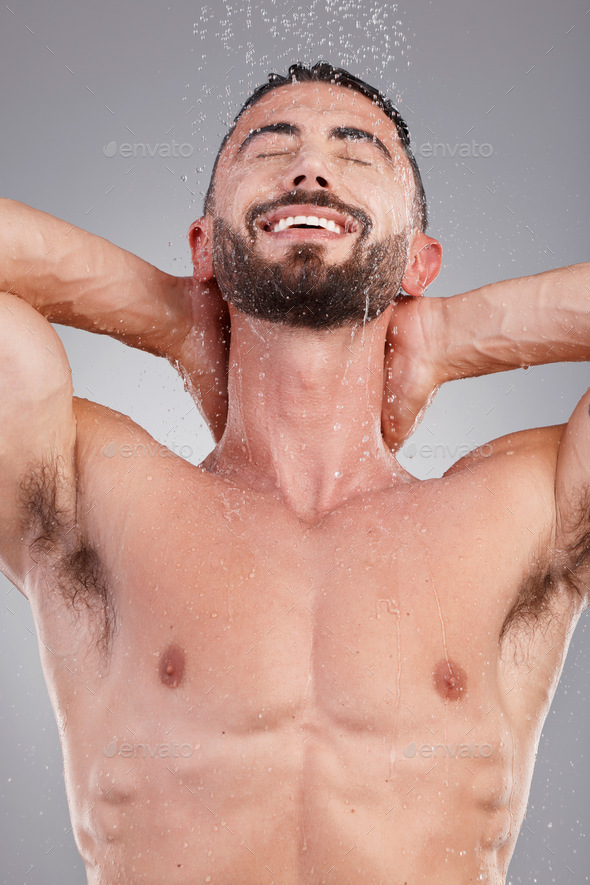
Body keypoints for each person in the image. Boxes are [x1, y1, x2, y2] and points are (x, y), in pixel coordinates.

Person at [0, 60, 588, 884]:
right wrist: (169, 317)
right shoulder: (97, 489)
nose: (311, 168)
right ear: (204, 242)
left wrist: (457, 335)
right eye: (270, 148)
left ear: (421, 262)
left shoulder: (519, 508)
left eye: (356, 154)